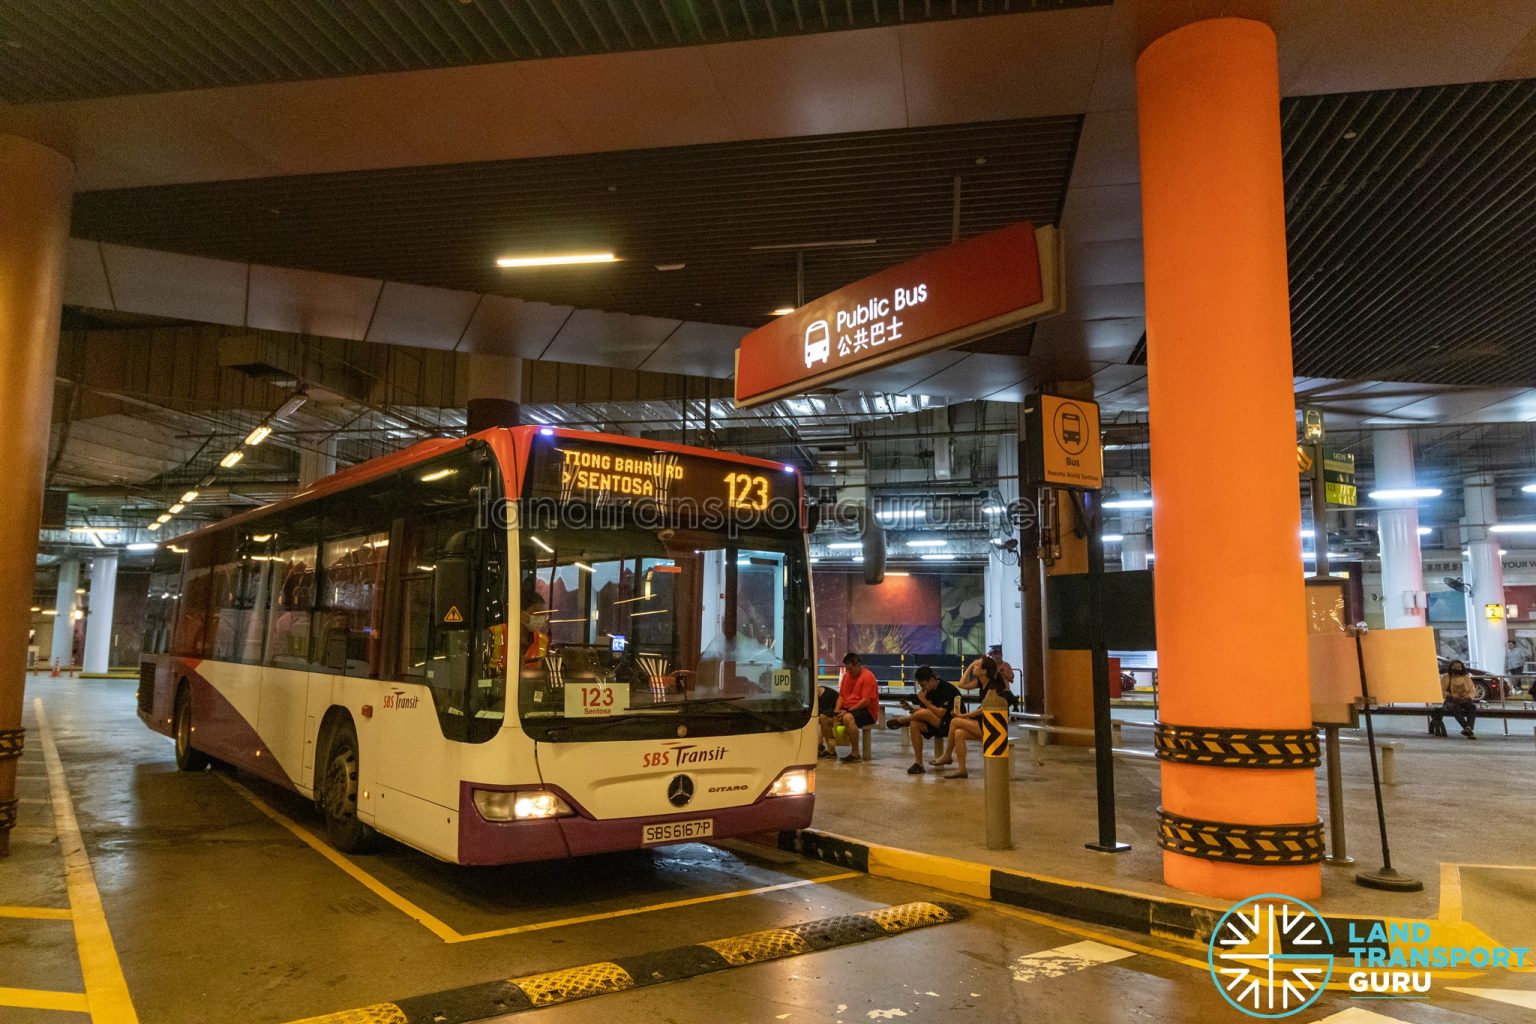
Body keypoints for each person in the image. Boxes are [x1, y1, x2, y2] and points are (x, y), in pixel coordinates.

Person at [931, 656, 1008, 778]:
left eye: (977, 666)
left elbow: (983, 709)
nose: (974, 667)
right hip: (984, 723)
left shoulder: (993, 687)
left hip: (993, 726)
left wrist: (963, 716)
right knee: (959, 734)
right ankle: (962, 770)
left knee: (955, 721)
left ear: (984, 671)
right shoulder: (981, 683)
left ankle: (947, 755)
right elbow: (962, 684)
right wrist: (971, 665)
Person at [885, 666, 961, 774]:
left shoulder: (947, 689)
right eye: (920, 685)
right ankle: (919, 764)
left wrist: (924, 701)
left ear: (931, 680)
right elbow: (925, 710)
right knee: (914, 723)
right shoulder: (928, 691)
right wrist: (914, 710)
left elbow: (940, 713)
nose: (922, 688)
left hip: (950, 723)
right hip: (935, 723)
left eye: (923, 685)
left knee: (924, 713)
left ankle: (902, 721)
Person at [821, 652, 879, 763]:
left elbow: (865, 702)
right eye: (847, 669)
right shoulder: (847, 676)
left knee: (848, 718)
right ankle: (831, 749)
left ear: (858, 665)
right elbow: (841, 696)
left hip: (867, 711)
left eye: (850, 669)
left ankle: (855, 753)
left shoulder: (868, 677)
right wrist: (837, 709)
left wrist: (847, 711)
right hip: (848, 709)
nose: (848, 672)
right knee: (824, 717)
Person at [1441, 659, 1479, 740]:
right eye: (1454, 666)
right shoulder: (1445, 677)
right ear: (1451, 667)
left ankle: (1468, 728)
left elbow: (1472, 690)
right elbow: (1442, 690)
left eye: (1459, 667)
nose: (1457, 668)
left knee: (1472, 707)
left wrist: (1467, 697)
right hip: (1450, 700)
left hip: (1464, 699)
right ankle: (1467, 728)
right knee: (1455, 708)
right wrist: (1450, 696)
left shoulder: (1466, 678)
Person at [815, 681, 840, 759]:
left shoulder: (826, 697)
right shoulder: (819, 694)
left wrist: (819, 741)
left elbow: (822, 720)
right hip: (829, 715)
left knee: (824, 721)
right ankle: (829, 748)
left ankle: (831, 749)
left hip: (837, 714)